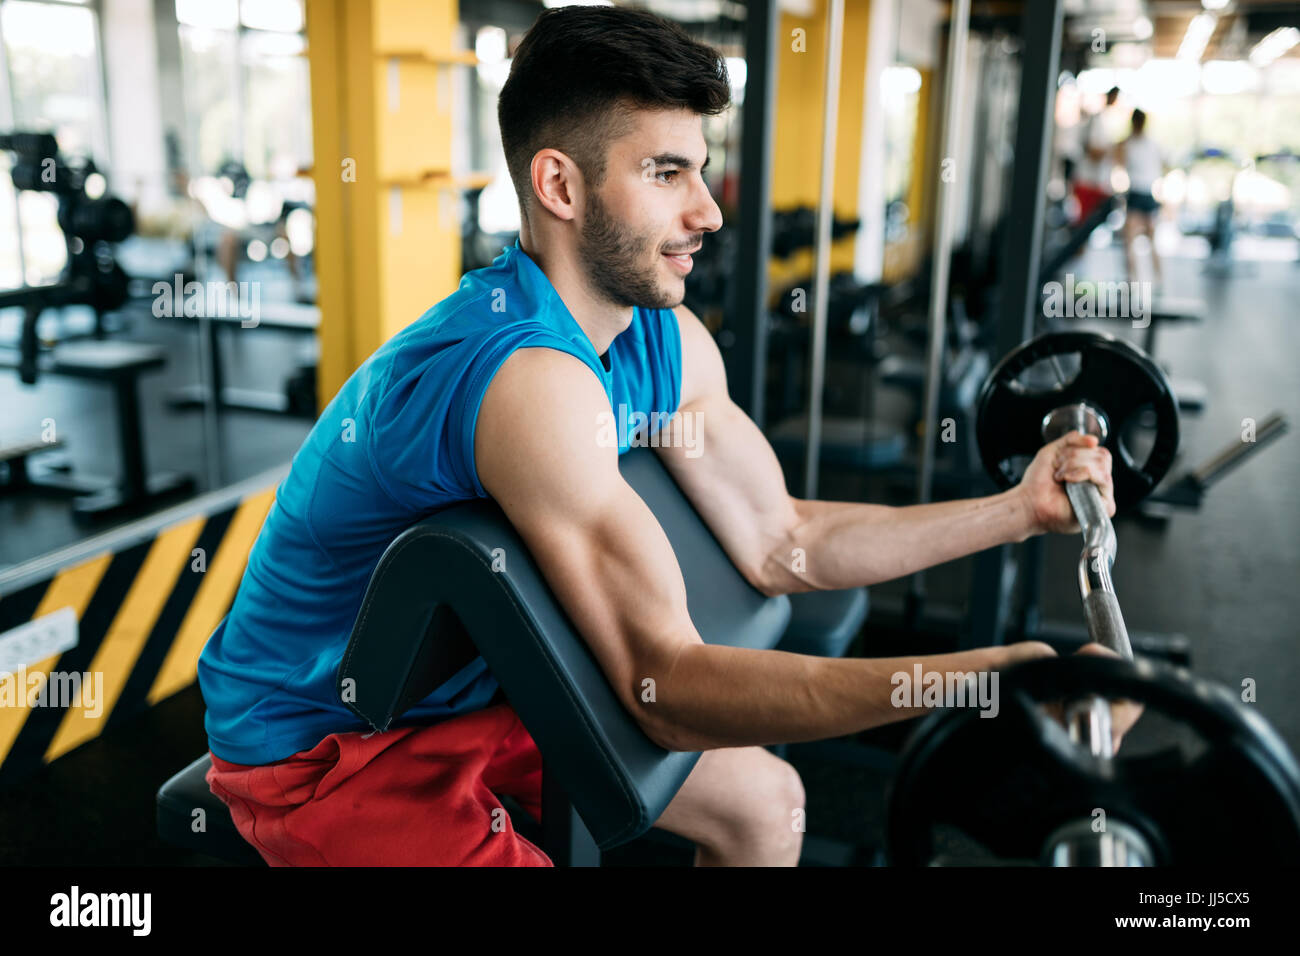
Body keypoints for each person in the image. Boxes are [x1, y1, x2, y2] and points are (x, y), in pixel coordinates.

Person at [197, 5, 1132, 868]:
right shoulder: (525, 383)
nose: (710, 211)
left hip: (474, 685)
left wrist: (1016, 511)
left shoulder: (660, 336)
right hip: (326, 744)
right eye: (665, 173)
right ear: (558, 184)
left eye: (699, 165)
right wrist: (986, 683)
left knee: (768, 804)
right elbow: (667, 686)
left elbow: (782, 543)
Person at [1116, 108, 1164, 286]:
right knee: (1149, 242)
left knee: (1130, 242)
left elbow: (1119, 162)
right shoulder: (1150, 145)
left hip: (1139, 194)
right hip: (1146, 194)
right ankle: (1154, 280)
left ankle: (1132, 280)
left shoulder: (1130, 144)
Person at [1072, 86, 1121, 226]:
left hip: (1098, 181)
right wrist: (1110, 151)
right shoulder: (1097, 120)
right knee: (1083, 224)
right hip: (1088, 180)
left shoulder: (1108, 121)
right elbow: (1092, 150)